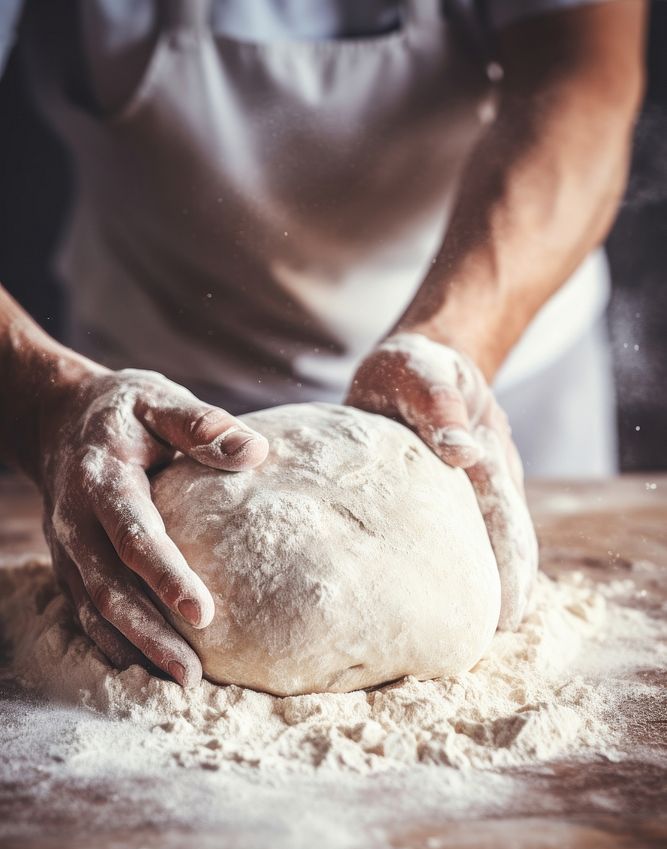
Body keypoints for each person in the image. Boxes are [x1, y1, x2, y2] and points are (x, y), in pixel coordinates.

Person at [0, 0, 645, 687]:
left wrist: (452, 341)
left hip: (486, 359)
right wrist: (46, 398)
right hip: (153, 399)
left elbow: (582, 84)